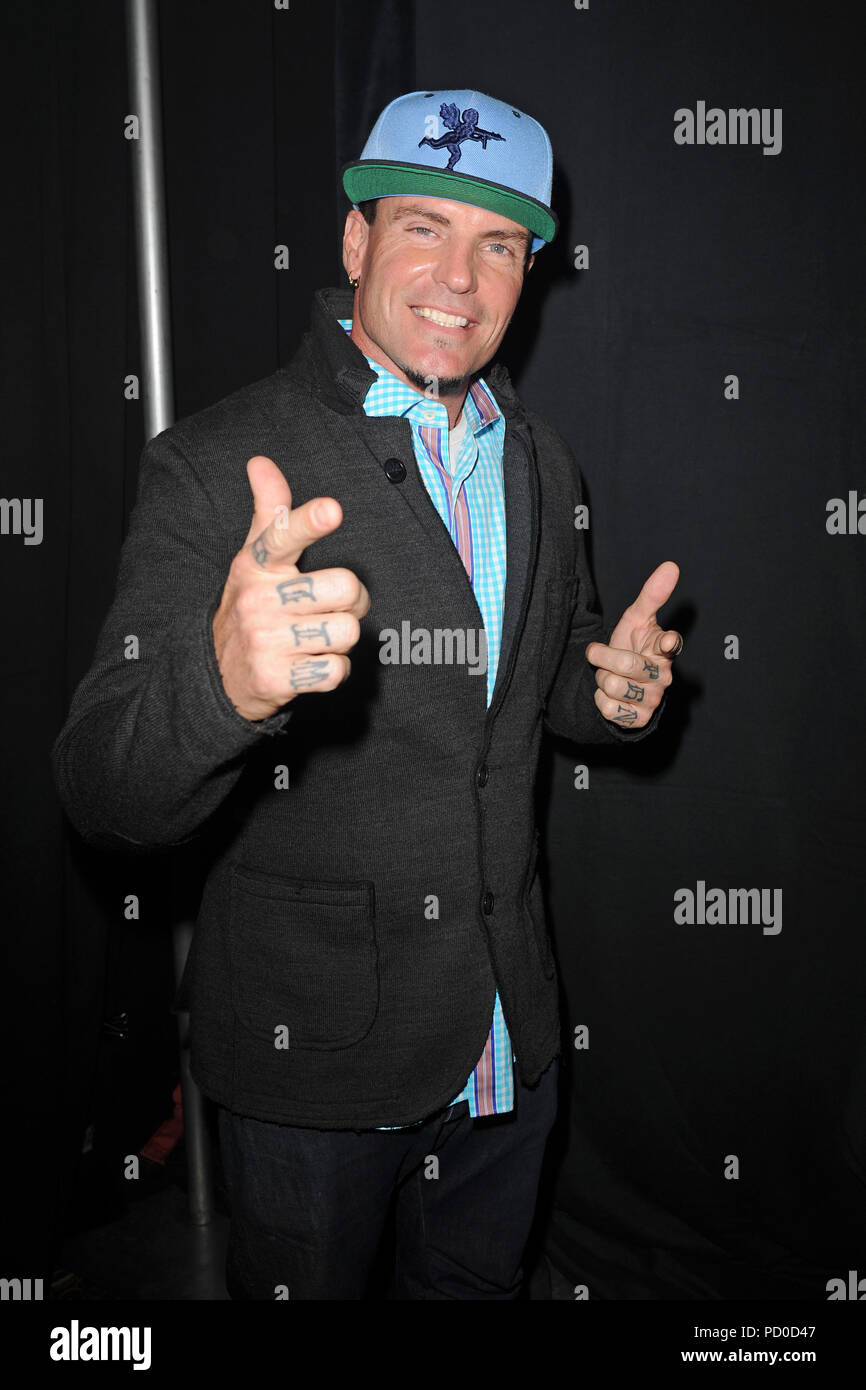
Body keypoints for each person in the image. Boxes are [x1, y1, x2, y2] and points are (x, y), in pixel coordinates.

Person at [51, 88, 682, 1300]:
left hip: (510, 1044)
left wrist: (607, 693)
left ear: (529, 269)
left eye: (497, 243)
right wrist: (224, 684)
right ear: (353, 241)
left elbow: (543, 680)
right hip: (319, 1068)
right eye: (422, 227)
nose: (458, 276)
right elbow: (102, 787)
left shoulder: (541, 458)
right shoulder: (214, 460)